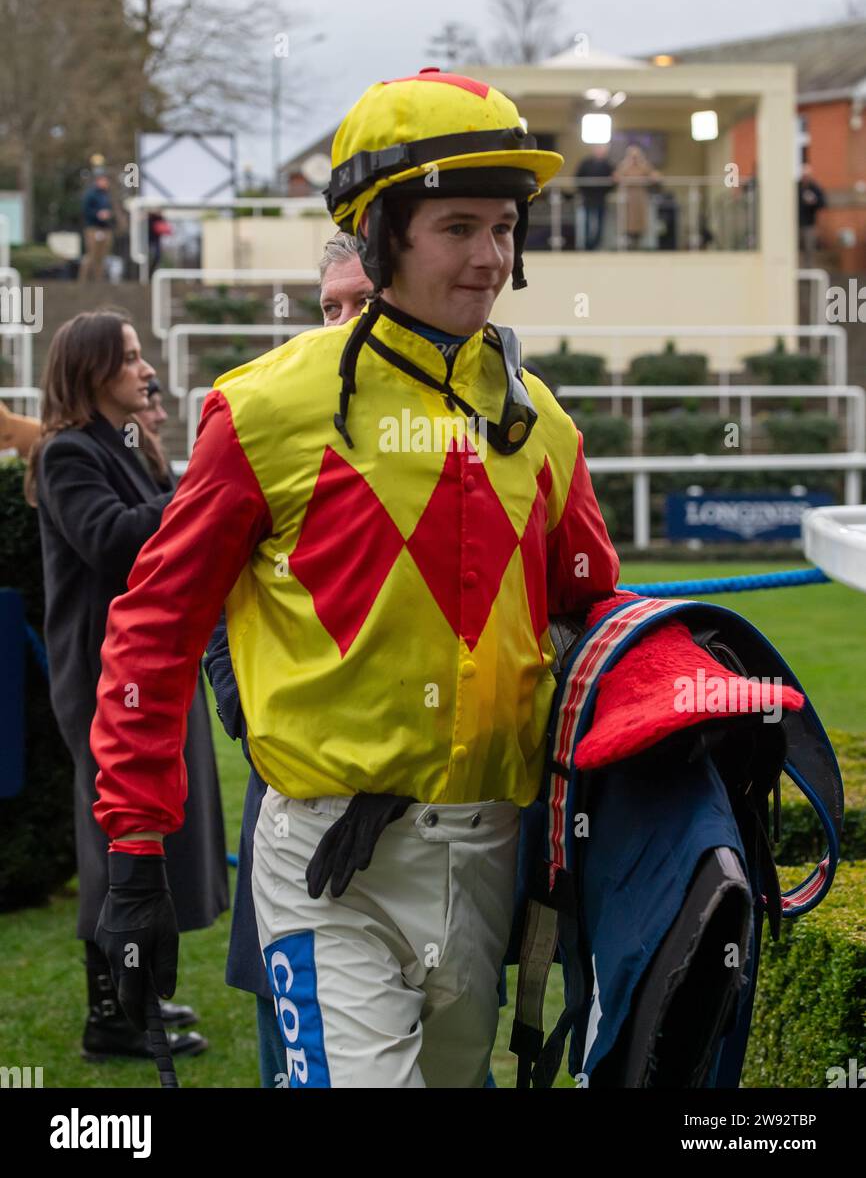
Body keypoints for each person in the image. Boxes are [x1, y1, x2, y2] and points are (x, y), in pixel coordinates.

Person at [89, 68, 621, 1089]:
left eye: (504, 226)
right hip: (326, 866)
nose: (490, 258)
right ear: (378, 234)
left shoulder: (543, 426)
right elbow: (154, 623)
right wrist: (135, 844)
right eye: (457, 226)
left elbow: (592, 616)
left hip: (486, 855)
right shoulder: (265, 411)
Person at [24, 309, 229, 1062]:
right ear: (91, 370)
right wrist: (201, 488)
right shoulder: (66, 454)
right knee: (112, 839)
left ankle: (141, 991)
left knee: (154, 836)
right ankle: (109, 1015)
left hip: (154, 665)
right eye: (131, 357)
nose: (146, 369)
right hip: (104, 675)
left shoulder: (130, 445)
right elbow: (112, 542)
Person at [204, 231, 375, 1087]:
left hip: (435, 824)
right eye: (330, 307)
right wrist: (255, 715)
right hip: (291, 795)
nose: (342, 325)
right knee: (291, 1040)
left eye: (361, 305)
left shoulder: (478, 437)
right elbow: (196, 598)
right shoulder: (269, 419)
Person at [613, 143, 658, 249]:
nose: (634, 158)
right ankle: (627, 243)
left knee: (640, 220)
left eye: (636, 155)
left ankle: (638, 243)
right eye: (632, 155)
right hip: (627, 196)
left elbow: (654, 176)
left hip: (640, 196)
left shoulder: (645, 165)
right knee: (626, 220)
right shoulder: (623, 165)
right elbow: (616, 177)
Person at [575, 145, 614, 250]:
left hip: (601, 197)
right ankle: (587, 244)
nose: (599, 152)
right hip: (588, 197)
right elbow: (578, 178)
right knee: (587, 221)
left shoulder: (608, 165)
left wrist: (605, 191)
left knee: (600, 221)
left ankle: (597, 243)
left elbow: (612, 181)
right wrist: (584, 191)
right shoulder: (585, 163)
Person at [80, 173, 115, 283]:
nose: (106, 183)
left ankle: (99, 281)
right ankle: (83, 281)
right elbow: (85, 210)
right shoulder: (91, 195)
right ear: (98, 181)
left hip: (105, 228)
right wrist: (97, 214)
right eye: (103, 181)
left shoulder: (107, 195)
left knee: (102, 256)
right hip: (93, 228)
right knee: (91, 255)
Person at [798, 163, 827, 267]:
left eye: (807, 176)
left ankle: (809, 273)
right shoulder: (796, 187)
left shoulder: (814, 187)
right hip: (795, 223)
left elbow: (823, 203)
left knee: (809, 249)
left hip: (809, 224)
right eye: (803, 176)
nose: (805, 178)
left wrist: (814, 202)